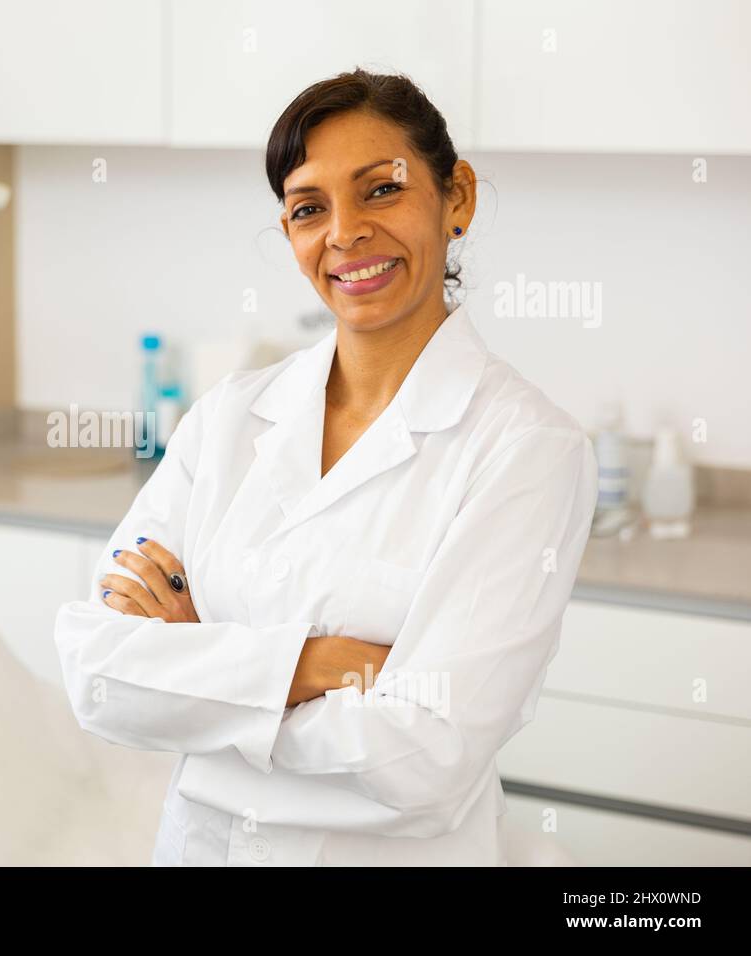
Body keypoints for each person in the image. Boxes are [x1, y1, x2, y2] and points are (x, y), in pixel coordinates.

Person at [53, 69, 599, 866]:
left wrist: (202, 668)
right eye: (309, 208)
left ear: (458, 198)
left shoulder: (527, 449)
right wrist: (317, 666)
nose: (344, 233)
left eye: (380, 190)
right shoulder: (230, 418)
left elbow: (426, 754)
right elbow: (98, 674)